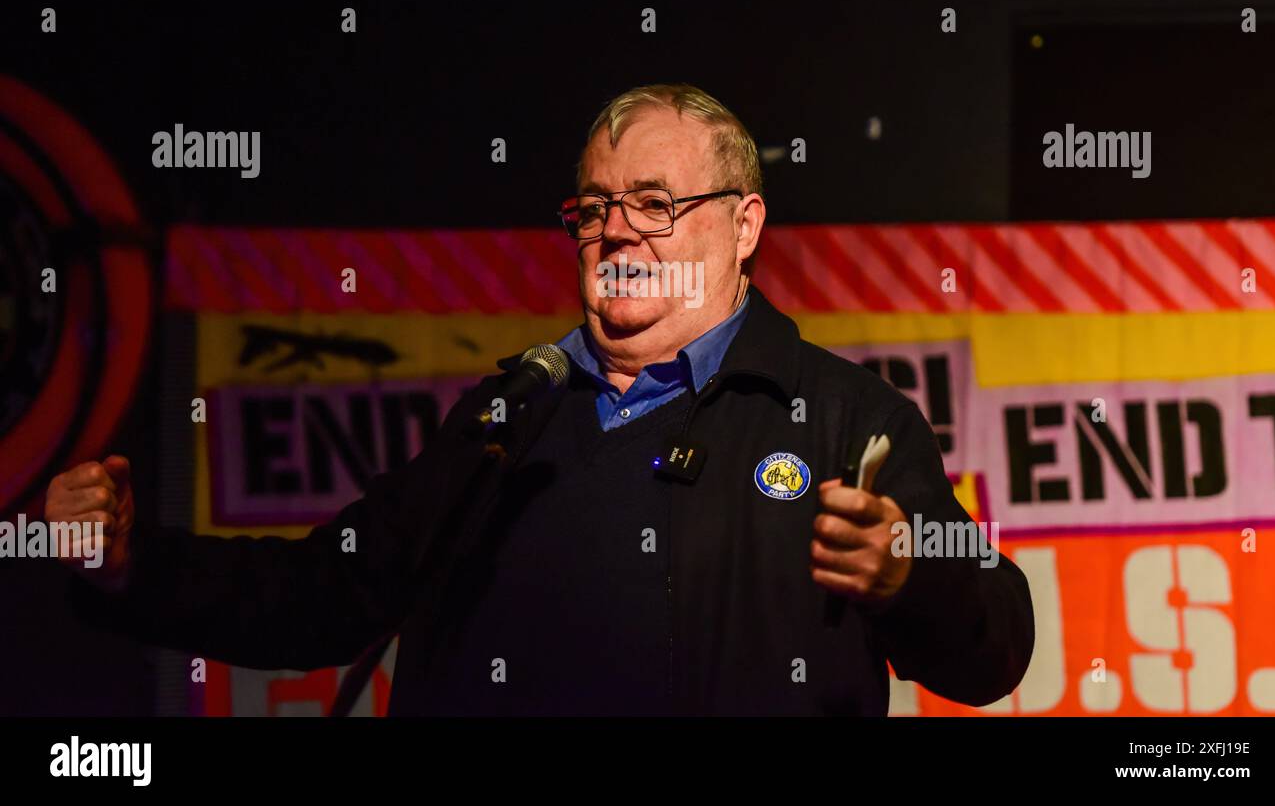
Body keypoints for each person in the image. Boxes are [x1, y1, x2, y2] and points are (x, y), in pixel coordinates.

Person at [46, 83, 1034, 715]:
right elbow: (323, 598)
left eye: (654, 204)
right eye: (593, 209)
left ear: (743, 227)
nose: (615, 232)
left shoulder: (840, 418)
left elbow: (994, 647)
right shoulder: (507, 419)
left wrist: (912, 573)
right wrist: (133, 566)